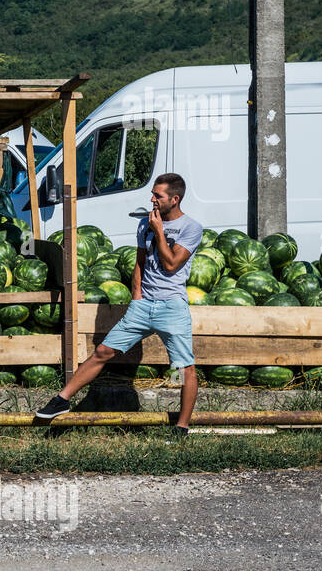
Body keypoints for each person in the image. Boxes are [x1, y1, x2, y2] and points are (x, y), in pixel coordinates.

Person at [35, 173, 203, 435]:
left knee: (183, 367)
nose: (152, 199)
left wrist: (159, 231)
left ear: (175, 199)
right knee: (103, 351)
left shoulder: (191, 228)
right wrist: (137, 295)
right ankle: (61, 400)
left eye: (158, 195)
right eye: (153, 194)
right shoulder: (143, 225)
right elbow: (139, 261)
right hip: (143, 306)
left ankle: (182, 426)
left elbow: (171, 264)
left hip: (172, 307)